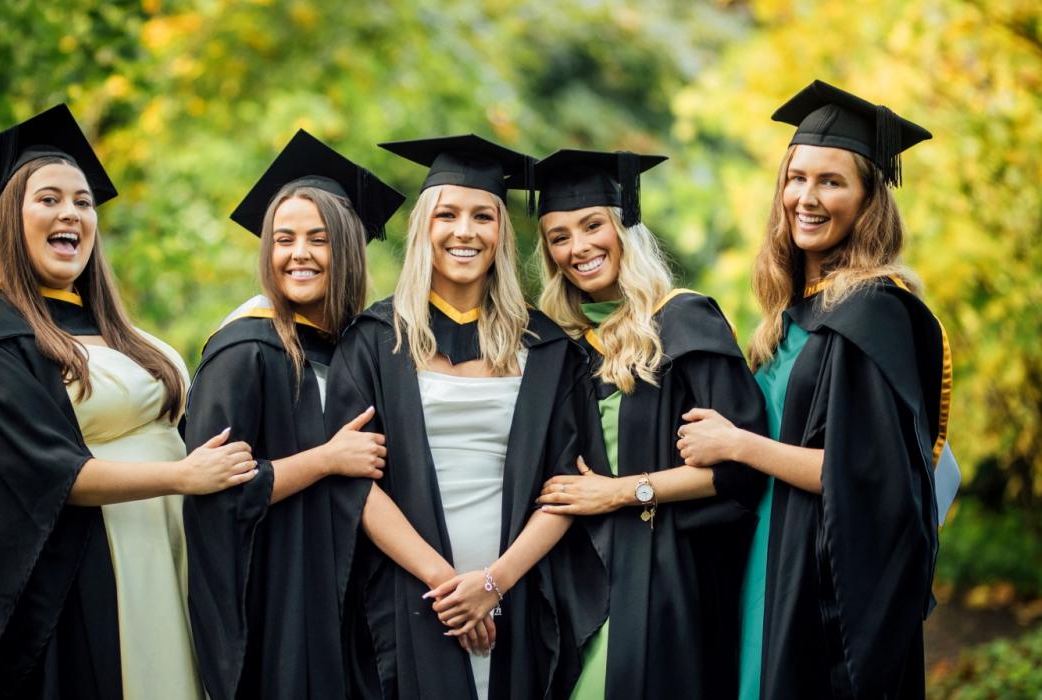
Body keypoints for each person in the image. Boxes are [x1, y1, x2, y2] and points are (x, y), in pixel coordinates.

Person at [0, 105, 253, 699]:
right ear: (7, 219)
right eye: (48, 199)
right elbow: (41, 473)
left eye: (83, 201)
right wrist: (182, 476)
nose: (70, 211)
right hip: (87, 579)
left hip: (174, 557)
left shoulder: (121, 332)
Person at [675, 80, 952, 700]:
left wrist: (736, 444)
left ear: (868, 201)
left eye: (832, 181)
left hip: (817, 583)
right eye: (796, 178)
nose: (807, 197)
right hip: (765, 563)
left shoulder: (875, 313)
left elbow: (868, 475)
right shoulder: (790, 315)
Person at [327, 135, 608, 700]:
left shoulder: (547, 348)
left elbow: (569, 486)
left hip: (520, 587)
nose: (465, 231)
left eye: (483, 216)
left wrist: (493, 582)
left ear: (501, 231)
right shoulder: (375, 341)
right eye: (447, 215)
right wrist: (446, 585)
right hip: (412, 589)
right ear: (423, 228)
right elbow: (355, 484)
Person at [531, 149, 767, 699]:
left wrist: (619, 494)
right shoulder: (559, 346)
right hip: (578, 573)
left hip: (661, 573)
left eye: (593, 226)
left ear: (624, 228)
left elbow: (738, 470)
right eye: (559, 236)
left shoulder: (684, 322)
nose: (579, 248)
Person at [181, 129, 404, 700]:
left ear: (349, 249)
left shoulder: (365, 347)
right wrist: (327, 461)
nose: (298, 253)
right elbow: (215, 489)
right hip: (279, 599)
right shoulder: (244, 349)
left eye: (318, 238)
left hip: (357, 599)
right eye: (283, 239)